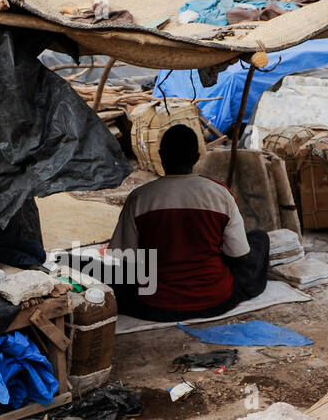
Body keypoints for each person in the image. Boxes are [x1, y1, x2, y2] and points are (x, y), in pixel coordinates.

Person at [108, 124, 270, 322]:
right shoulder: (220, 194)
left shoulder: (139, 198)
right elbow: (239, 256)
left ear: (161, 156)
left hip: (157, 305)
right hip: (215, 300)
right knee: (259, 239)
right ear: (196, 157)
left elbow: (126, 259)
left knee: (107, 276)